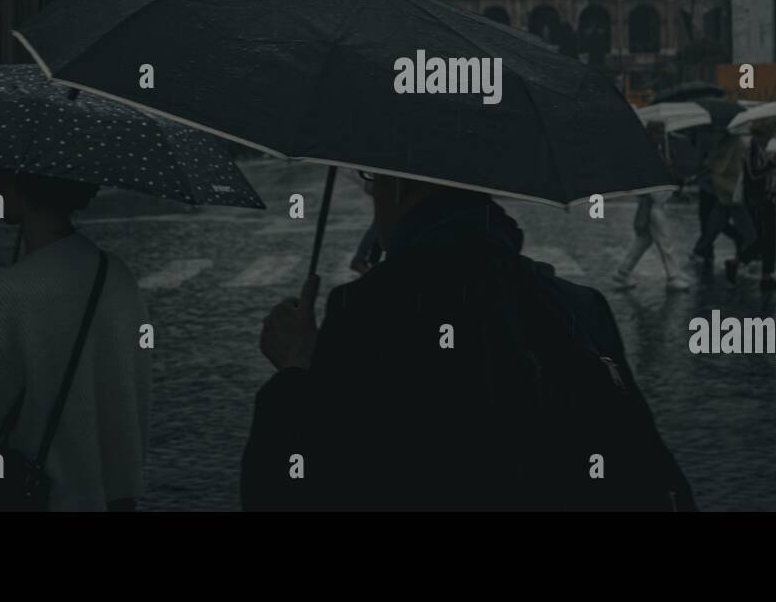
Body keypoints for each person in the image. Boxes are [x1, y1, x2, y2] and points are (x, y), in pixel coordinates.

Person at [241, 172, 696, 511]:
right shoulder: (577, 306)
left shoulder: (366, 313)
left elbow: (288, 493)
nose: (370, 194)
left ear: (400, 186)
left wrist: (296, 373)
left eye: (372, 181)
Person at [0, 171, 150, 511]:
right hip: (112, 498)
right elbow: (134, 393)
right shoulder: (118, 276)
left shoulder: (5, 294)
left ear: (22, 188)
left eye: (2, 178)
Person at [611, 122, 688, 289]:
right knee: (665, 241)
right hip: (653, 203)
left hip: (658, 201)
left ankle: (622, 272)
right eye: (658, 133)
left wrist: (669, 167)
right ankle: (673, 277)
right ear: (651, 134)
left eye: (662, 133)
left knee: (643, 241)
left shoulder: (661, 151)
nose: (661, 136)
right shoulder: (645, 153)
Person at [724, 118, 776, 292]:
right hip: (757, 200)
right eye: (771, 131)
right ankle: (735, 263)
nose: (772, 135)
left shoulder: (761, 149)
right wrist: (771, 164)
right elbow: (753, 174)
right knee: (761, 240)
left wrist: (774, 166)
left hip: (767, 198)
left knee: (770, 239)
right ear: (764, 133)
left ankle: (767, 276)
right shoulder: (752, 149)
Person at [691, 128, 757, 268]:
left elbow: (708, 163)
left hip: (724, 190)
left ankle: (704, 249)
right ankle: (704, 249)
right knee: (716, 221)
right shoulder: (736, 141)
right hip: (726, 191)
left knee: (714, 221)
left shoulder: (729, 142)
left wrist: (703, 168)